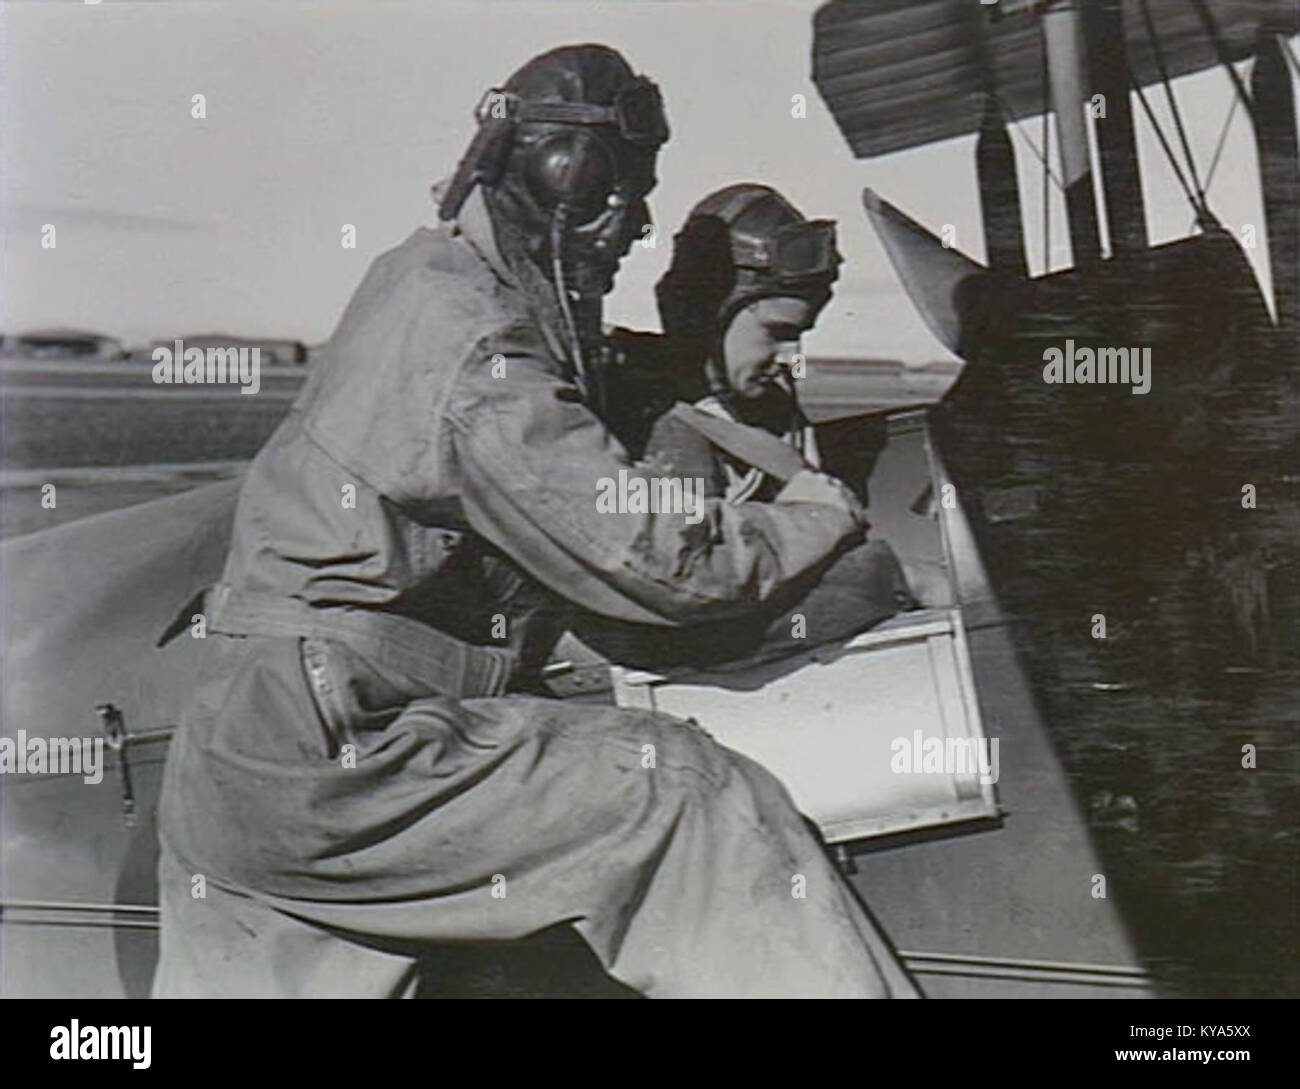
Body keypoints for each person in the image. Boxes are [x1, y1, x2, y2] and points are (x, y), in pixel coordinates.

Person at [152, 44, 918, 999]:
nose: (638, 225)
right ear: (574, 184)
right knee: (686, 792)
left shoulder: (425, 282)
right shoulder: (475, 346)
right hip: (345, 752)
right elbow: (659, 562)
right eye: (632, 194)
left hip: (251, 763)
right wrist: (810, 515)